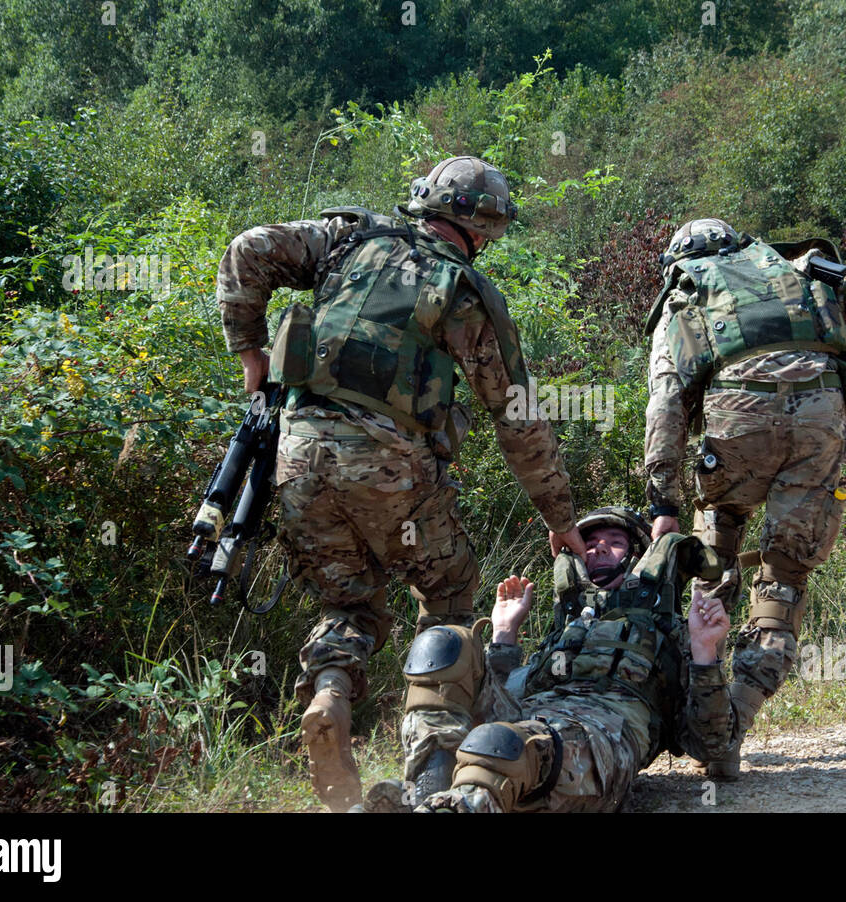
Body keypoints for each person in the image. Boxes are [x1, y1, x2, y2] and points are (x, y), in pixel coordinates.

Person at [214, 155, 585, 810]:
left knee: (349, 606)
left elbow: (249, 250)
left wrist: (248, 349)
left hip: (299, 459)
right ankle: (432, 771)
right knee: (448, 593)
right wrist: (559, 516)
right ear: (483, 226)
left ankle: (330, 694)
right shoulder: (465, 294)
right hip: (392, 469)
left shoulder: (349, 239)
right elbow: (518, 421)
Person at [643, 218, 846, 778]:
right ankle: (733, 725)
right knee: (785, 582)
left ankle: (703, 695)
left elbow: (666, 405)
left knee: (714, 554)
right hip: (821, 416)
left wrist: (663, 504)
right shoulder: (799, 270)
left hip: (735, 423)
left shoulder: (686, 294)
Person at [412, 506, 740, 813]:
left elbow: (711, 744)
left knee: (499, 742)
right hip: (526, 724)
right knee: (441, 646)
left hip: (601, 739)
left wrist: (704, 651)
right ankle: (428, 796)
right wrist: (504, 632)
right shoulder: (567, 630)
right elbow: (507, 697)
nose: (598, 548)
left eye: (614, 543)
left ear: (637, 558)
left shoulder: (668, 633)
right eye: (591, 542)